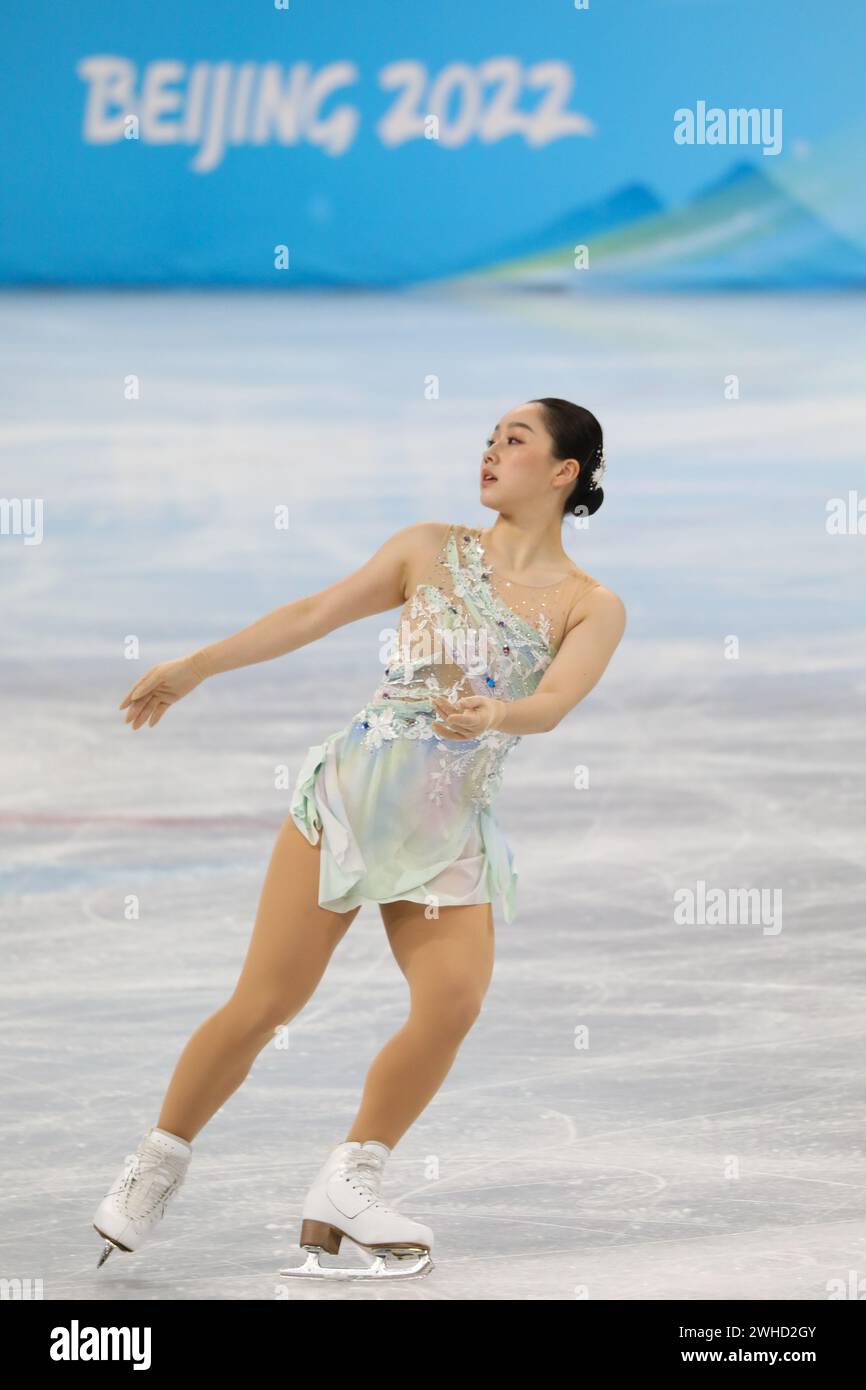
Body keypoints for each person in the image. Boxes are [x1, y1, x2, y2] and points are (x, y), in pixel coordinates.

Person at [92, 397, 627, 1281]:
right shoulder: (429, 548)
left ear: (566, 472)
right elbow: (314, 612)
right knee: (265, 1004)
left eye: (515, 440)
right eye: (489, 440)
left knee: (451, 1005)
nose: (491, 452)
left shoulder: (589, 604)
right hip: (347, 803)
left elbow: (555, 702)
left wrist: (498, 710)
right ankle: (158, 1163)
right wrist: (195, 666)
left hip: (447, 829)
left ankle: (350, 1178)